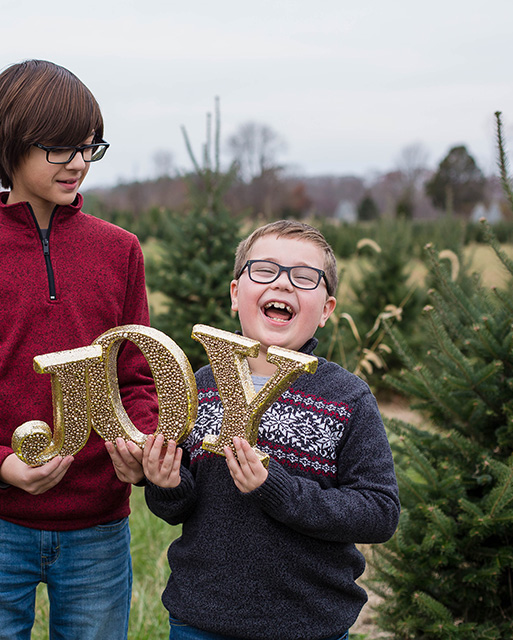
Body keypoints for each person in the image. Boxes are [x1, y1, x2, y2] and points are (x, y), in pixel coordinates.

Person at [0, 59, 158, 640]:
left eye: (91, 147)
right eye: (61, 147)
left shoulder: (120, 252)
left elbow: (137, 381)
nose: (79, 163)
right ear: (10, 143)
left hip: (97, 525)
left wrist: (139, 443)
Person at [143, 220, 400, 640]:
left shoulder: (347, 397)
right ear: (234, 294)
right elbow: (177, 509)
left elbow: (379, 513)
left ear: (326, 311)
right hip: (202, 620)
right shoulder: (200, 386)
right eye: (264, 270)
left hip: (309, 625)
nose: (283, 284)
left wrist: (279, 490)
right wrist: (166, 484)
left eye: (304, 277)